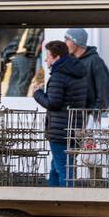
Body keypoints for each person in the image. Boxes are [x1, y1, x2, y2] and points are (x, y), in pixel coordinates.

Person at [33, 40, 88, 187]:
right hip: (74, 130)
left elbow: (53, 103)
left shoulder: (58, 76)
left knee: (64, 170)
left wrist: (37, 93)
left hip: (60, 131)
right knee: (56, 168)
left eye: (48, 56)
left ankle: (67, 204)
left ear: (56, 57)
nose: (45, 59)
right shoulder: (78, 73)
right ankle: (51, 201)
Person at [64, 27, 109, 110]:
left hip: (87, 118)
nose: (65, 43)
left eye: (67, 40)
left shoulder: (96, 62)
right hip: (71, 118)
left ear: (75, 42)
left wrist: (93, 115)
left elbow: (103, 94)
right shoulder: (68, 61)